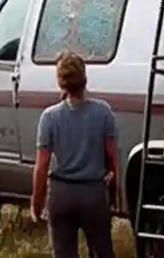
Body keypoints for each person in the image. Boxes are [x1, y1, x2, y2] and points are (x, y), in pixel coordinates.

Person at [30, 50, 122, 258]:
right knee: (102, 251)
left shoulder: (49, 117)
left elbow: (42, 166)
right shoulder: (104, 112)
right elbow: (112, 158)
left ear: (61, 83)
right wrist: (114, 194)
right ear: (84, 78)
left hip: (62, 194)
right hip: (93, 193)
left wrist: (36, 202)